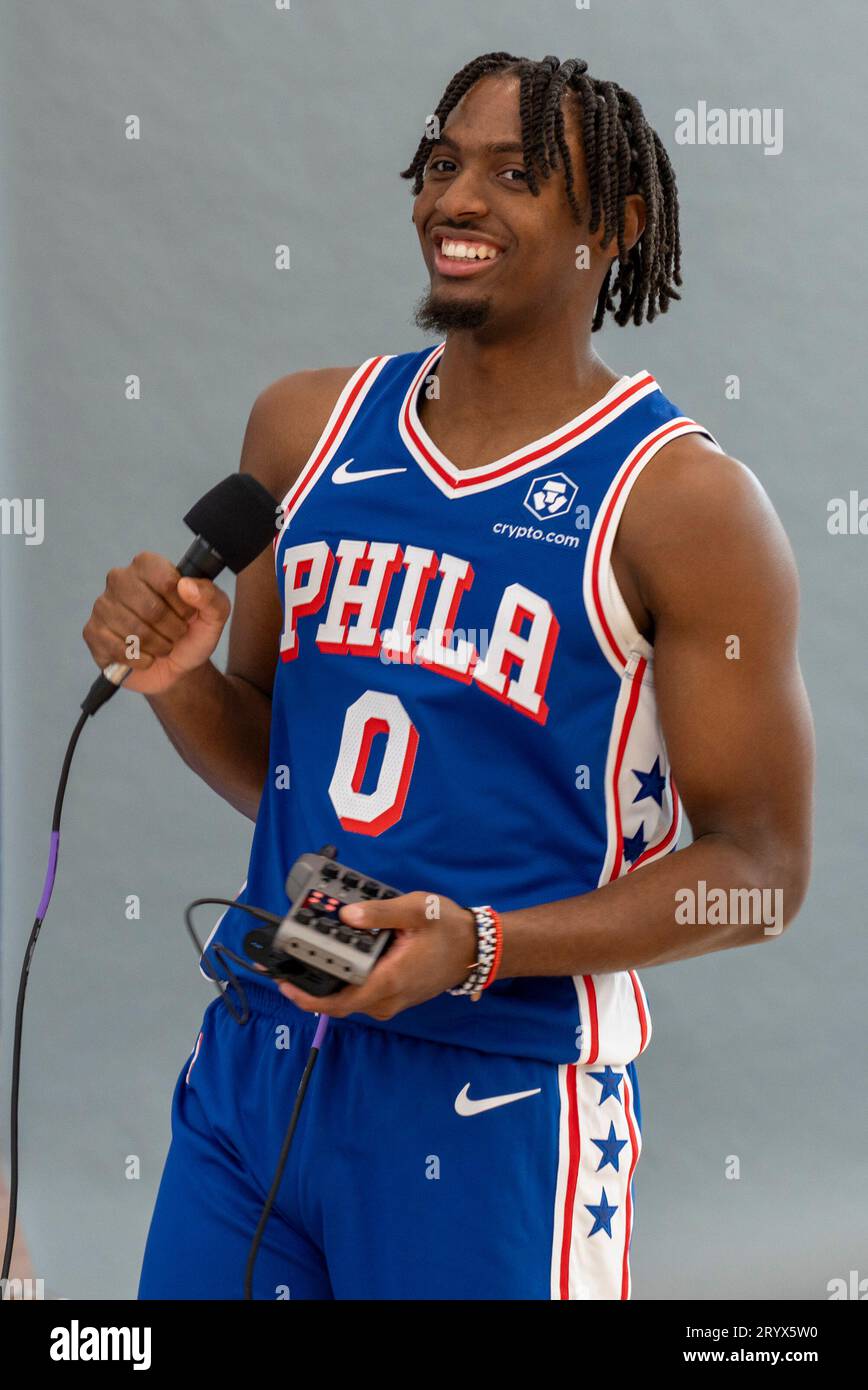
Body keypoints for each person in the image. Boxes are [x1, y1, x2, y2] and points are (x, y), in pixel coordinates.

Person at [83, 52, 814, 1300]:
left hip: (499, 1096)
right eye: (441, 164)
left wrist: (479, 945)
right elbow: (284, 768)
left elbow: (758, 878)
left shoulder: (682, 503)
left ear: (616, 227)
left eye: (515, 175)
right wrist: (179, 682)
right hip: (264, 1057)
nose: (454, 200)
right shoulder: (304, 431)